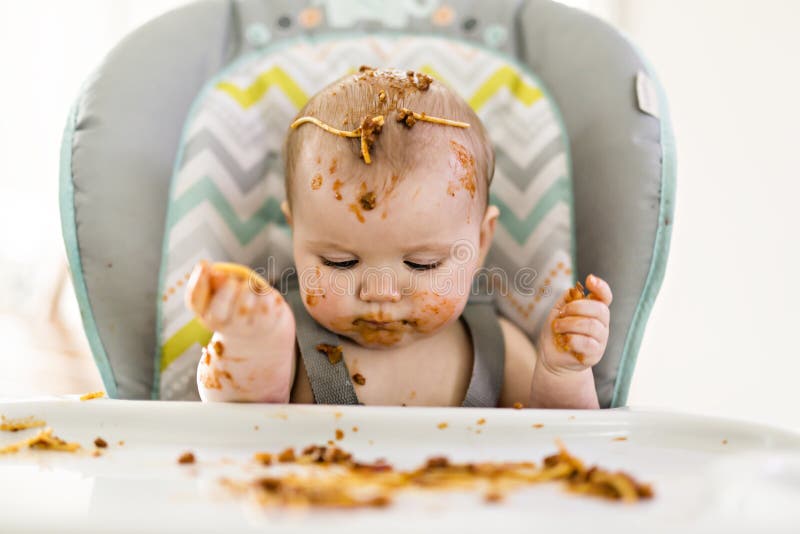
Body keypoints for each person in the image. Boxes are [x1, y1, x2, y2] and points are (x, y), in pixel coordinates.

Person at [185, 67, 612, 408]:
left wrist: (562, 373)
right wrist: (250, 341)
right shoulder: (289, 337)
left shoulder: (495, 346)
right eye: (339, 261)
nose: (381, 292)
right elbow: (235, 418)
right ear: (295, 232)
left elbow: (558, 441)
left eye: (423, 263)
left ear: (480, 242)